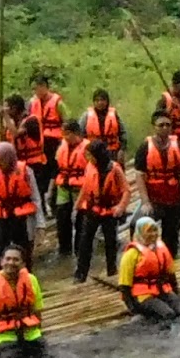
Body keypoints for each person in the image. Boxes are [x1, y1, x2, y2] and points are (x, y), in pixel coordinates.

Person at [135, 110, 180, 255]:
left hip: (175, 200)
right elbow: (139, 176)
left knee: (171, 239)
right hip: (154, 200)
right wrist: (145, 201)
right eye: (161, 125)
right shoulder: (144, 148)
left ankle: (169, 265)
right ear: (154, 127)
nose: (165, 128)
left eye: (168, 125)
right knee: (140, 230)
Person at [74, 139, 130, 282]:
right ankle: (81, 274)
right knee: (84, 242)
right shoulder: (90, 167)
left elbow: (126, 191)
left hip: (110, 212)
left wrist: (121, 207)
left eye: (90, 155)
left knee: (110, 243)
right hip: (92, 210)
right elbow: (85, 188)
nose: (87, 158)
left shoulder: (115, 169)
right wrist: (77, 205)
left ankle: (112, 271)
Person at [119, 216, 180, 324]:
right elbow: (124, 285)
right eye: (149, 231)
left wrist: (176, 295)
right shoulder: (131, 254)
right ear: (140, 232)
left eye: (155, 230)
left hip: (163, 290)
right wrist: (133, 308)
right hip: (142, 296)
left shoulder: (161, 248)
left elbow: (171, 275)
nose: (153, 234)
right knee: (168, 315)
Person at [0, 141, 41, 271]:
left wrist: (40, 225)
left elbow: (36, 199)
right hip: (1, 218)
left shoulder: (26, 172)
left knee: (23, 252)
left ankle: (25, 278)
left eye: (1, 160)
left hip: (21, 219)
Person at [51, 119, 90, 257]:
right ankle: (64, 250)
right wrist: (52, 189)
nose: (65, 137)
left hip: (81, 188)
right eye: (63, 134)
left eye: (68, 134)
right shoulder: (62, 146)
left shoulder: (87, 148)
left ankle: (80, 251)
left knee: (81, 220)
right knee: (62, 218)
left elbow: (93, 172)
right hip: (63, 187)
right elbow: (56, 168)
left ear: (77, 133)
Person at [4, 95, 46, 206]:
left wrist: (5, 117)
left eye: (7, 108)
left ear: (14, 108)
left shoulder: (31, 121)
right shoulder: (16, 123)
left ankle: (40, 216)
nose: (6, 111)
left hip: (35, 163)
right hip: (22, 163)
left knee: (35, 193)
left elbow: (16, 134)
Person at [31, 75, 65, 208]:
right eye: (34, 89)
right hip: (40, 143)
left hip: (55, 141)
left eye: (38, 88)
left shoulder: (58, 102)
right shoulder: (33, 103)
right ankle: (43, 203)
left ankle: (54, 200)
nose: (37, 92)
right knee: (42, 173)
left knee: (56, 171)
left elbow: (65, 121)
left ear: (45, 87)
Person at [78, 88, 126, 158]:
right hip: (93, 153)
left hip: (112, 152)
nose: (100, 102)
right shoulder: (86, 116)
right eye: (97, 100)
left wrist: (122, 149)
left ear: (107, 101)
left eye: (102, 100)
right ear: (94, 102)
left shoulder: (114, 114)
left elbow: (123, 133)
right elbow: (79, 134)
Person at [158, 70, 180, 141]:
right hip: (168, 138)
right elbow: (157, 119)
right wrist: (170, 108)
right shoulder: (165, 98)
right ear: (174, 85)